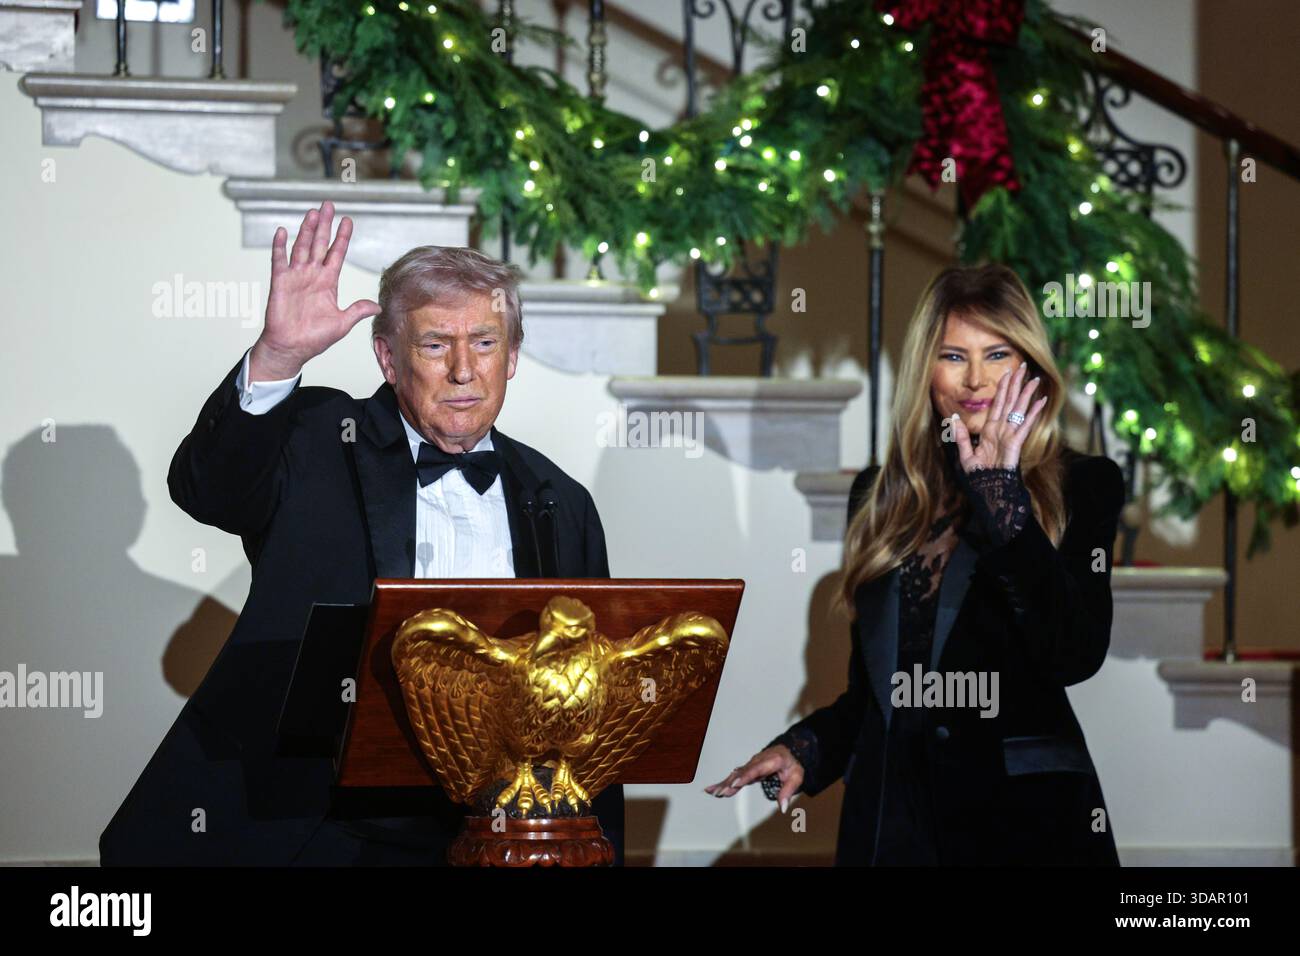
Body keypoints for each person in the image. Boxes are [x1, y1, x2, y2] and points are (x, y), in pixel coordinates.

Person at [99, 201, 624, 865]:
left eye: (485, 343)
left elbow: (593, 711)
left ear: (512, 356)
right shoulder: (318, 438)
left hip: (483, 834)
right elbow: (208, 491)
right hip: (305, 826)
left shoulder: (559, 501)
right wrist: (278, 355)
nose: (464, 371)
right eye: (435, 344)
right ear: (387, 356)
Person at [707, 264, 1124, 866]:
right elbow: (880, 694)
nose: (975, 379)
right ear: (925, 370)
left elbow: (1075, 654)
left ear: (1029, 366)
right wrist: (807, 749)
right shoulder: (880, 496)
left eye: (997, 353)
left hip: (1025, 831)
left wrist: (1003, 499)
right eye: (953, 355)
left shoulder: (1082, 484)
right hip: (893, 829)